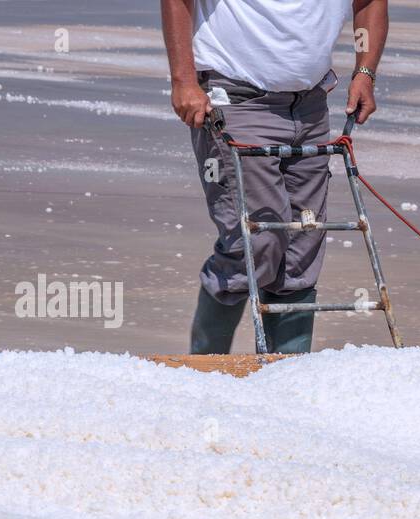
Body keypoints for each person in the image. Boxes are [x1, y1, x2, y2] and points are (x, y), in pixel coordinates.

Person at [160, 0, 389, 354]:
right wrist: (184, 81)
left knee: (303, 244)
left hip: (311, 104)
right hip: (236, 99)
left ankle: (286, 376)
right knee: (254, 244)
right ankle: (202, 368)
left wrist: (366, 71)